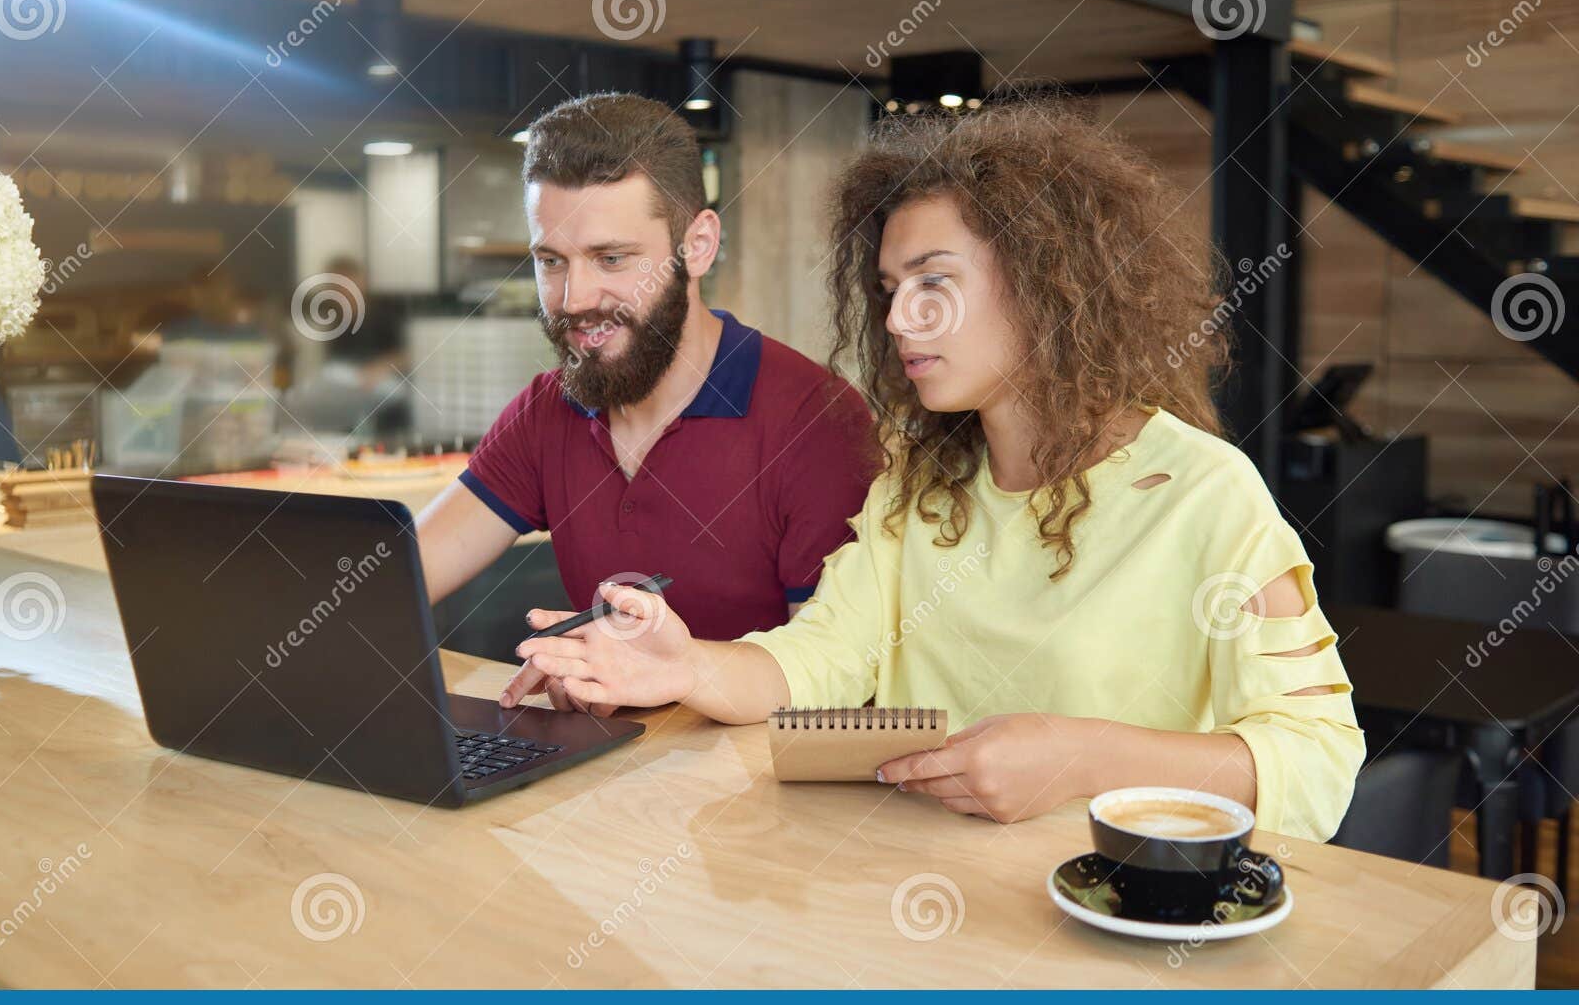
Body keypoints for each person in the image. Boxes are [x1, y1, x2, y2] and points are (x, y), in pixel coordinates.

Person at [508, 98, 1365, 840]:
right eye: (887, 290)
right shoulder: (919, 486)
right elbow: (825, 658)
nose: (900, 321)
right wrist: (684, 664)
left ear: (1045, 284)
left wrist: (1079, 758)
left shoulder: (1206, 495)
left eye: (934, 282)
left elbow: (1318, 760)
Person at [417, 93, 876, 717]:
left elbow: (835, 679)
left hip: (756, 794)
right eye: (551, 261)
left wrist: (659, 673)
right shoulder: (549, 408)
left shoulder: (815, 421)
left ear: (698, 245)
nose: (575, 298)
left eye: (612, 259)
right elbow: (398, 576)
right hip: (610, 779)